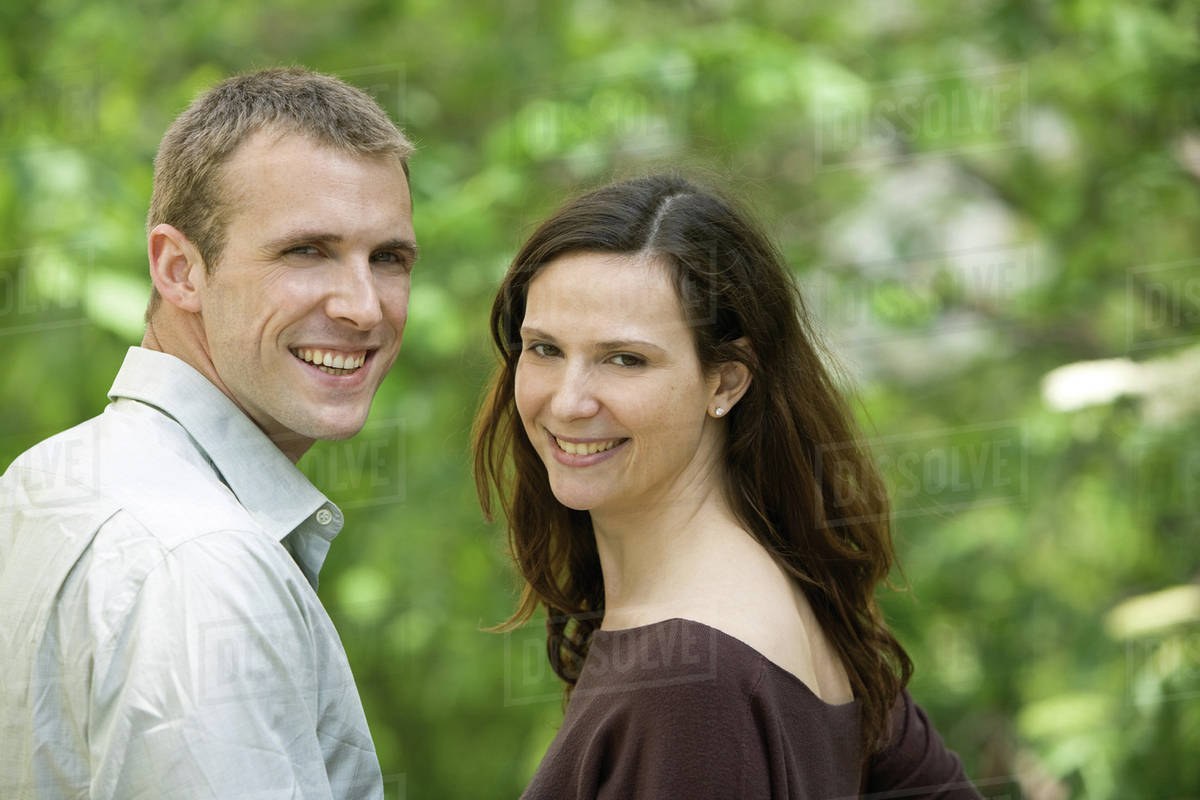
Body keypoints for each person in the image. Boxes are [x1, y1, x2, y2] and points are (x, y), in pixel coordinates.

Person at [474, 174, 983, 798]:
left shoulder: (690, 682)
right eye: (544, 349)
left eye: (625, 359)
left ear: (725, 383)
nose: (569, 401)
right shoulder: (797, 602)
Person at [0, 67, 416, 798]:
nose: (364, 307)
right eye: (306, 250)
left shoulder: (43, 481)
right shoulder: (203, 563)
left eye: (388, 258)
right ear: (179, 270)